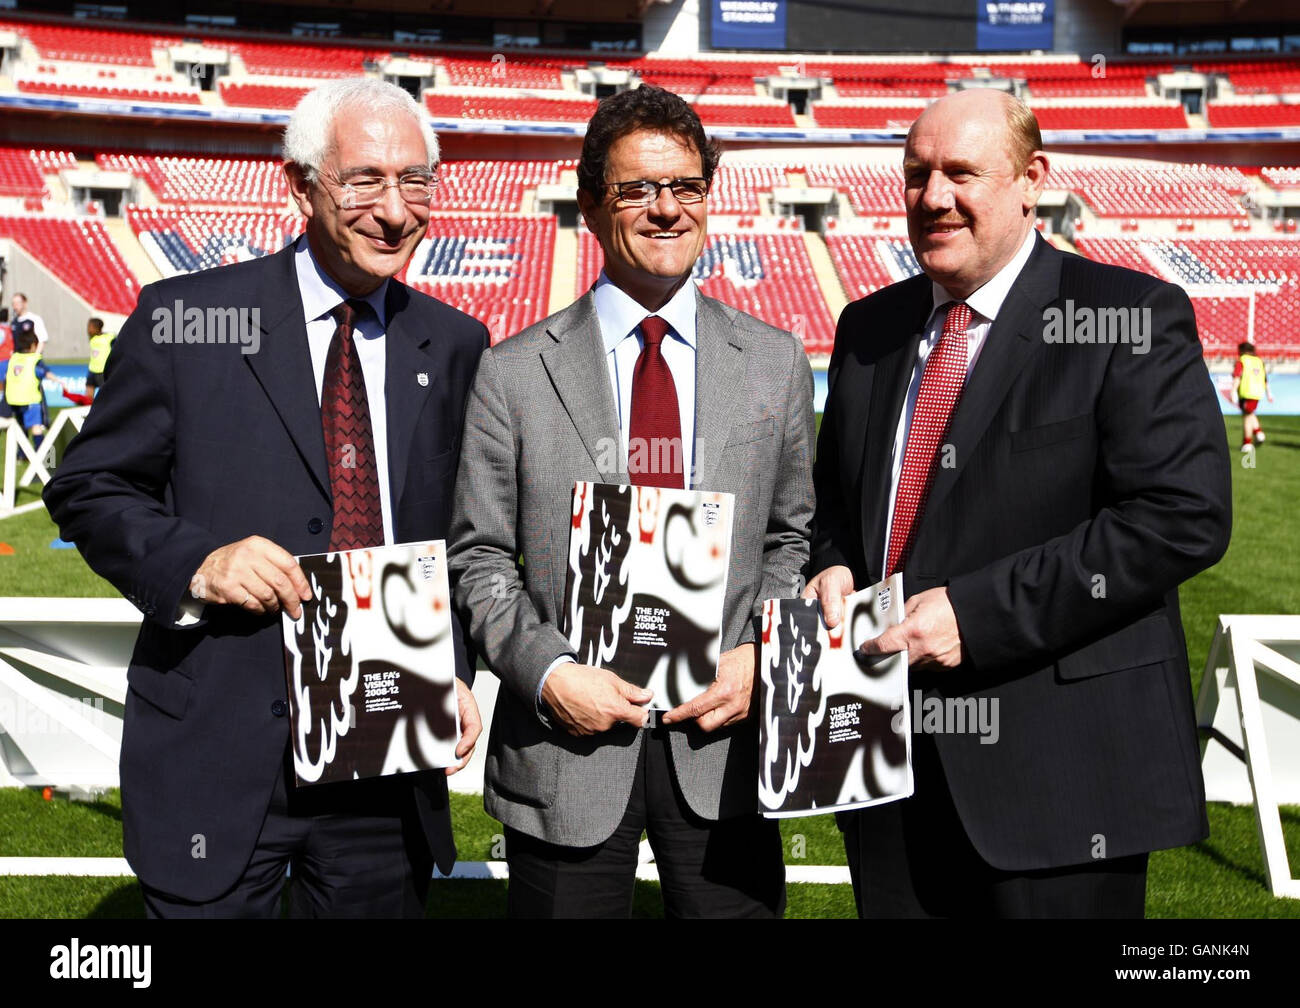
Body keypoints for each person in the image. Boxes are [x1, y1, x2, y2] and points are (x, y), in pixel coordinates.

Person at [44, 77, 487, 918]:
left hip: (385, 762)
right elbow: (89, 486)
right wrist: (200, 564)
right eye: (364, 180)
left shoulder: (457, 342)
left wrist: (454, 668)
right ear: (300, 184)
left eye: (416, 181)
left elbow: (463, 537)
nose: (395, 212)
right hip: (218, 751)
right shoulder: (188, 319)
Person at [805, 89, 1232, 918]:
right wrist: (830, 562)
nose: (933, 197)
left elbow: (1182, 515)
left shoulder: (1126, 316)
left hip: (1061, 783)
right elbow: (835, 503)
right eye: (916, 174)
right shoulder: (868, 328)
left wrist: (977, 614)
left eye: (961, 172)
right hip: (885, 769)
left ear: (1032, 179)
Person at [448, 85, 814, 918]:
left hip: (727, 745)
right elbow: (477, 556)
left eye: (685, 187)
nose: (665, 210)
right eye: (636, 189)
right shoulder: (513, 372)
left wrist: (761, 651)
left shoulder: (773, 362)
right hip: (565, 746)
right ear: (589, 206)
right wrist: (547, 675)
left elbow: (792, 538)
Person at [1, 320, 50, 446]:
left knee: (21, 429)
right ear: (34, 345)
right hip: (30, 400)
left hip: (14, 400)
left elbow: (7, 378)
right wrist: (60, 381)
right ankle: (41, 455)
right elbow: (44, 373)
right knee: (36, 428)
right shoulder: (34, 359)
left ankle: (21, 456)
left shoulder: (13, 358)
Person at [1232, 340, 1272, 452]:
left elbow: (1237, 376)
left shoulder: (1242, 361)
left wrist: (1233, 390)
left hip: (1247, 391)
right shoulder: (1259, 361)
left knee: (1246, 417)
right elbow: (1265, 379)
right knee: (1249, 414)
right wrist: (1268, 393)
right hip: (1258, 392)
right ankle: (1258, 432)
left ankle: (1247, 443)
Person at [85, 317, 115, 399]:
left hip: (102, 372)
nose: (88, 329)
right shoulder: (92, 338)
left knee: (106, 397)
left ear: (96, 327)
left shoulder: (109, 338)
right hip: (92, 371)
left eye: (89, 326)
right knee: (88, 398)